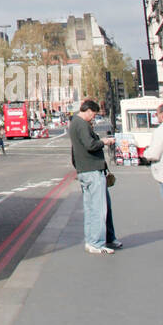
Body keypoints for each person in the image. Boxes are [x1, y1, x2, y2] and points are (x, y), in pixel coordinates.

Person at [69, 99, 116, 254]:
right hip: (92, 170)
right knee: (98, 208)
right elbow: (90, 145)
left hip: (84, 170)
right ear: (88, 110)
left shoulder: (74, 123)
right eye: (93, 115)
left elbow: (74, 151)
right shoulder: (82, 124)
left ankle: (91, 241)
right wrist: (104, 141)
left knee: (90, 208)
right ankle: (97, 242)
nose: (93, 118)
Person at [141, 102, 163, 211]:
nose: (156, 116)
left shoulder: (161, 130)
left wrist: (145, 154)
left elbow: (155, 153)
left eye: (157, 114)